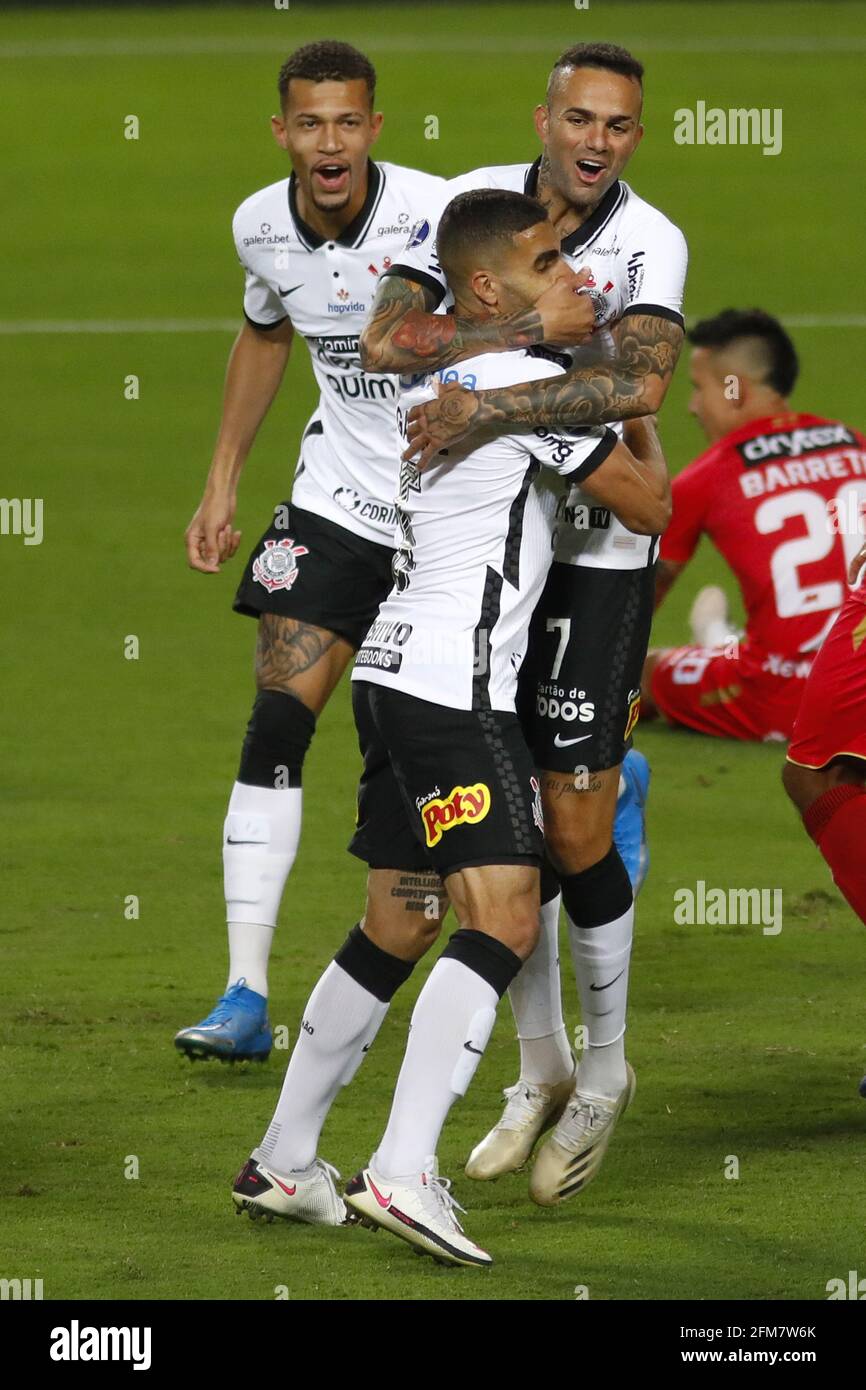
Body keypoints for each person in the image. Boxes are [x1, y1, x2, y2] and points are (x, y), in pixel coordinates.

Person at [231, 188, 670, 1265]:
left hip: (387, 671)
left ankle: (286, 1158)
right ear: (488, 285)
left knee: (398, 917)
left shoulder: (453, 366)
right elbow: (650, 503)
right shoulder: (519, 377)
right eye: (546, 258)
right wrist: (595, 399)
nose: (575, 271)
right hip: (451, 686)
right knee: (508, 913)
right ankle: (403, 1167)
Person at [358, 41, 686, 1201]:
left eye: (620, 126)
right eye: (581, 118)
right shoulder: (474, 206)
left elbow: (637, 388)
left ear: (634, 137)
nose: (598, 141)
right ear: (542, 117)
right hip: (505, 546)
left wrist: (485, 408)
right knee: (511, 817)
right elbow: (382, 339)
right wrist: (510, 364)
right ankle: (535, 1066)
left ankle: (601, 1070)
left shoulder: (651, 242)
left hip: (598, 548)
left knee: (575, 821)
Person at [174, 41, 444, 1062]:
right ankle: (245, 994)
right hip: (333, 501)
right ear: (282, 131)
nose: (327, 142)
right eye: (308, 123)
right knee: (277, 717)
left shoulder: (434, 214)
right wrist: (222, 481)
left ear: (374, 128)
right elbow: (266, 333)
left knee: (451, 741)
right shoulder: (257, 225)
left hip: (447, 515)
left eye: (346, 121)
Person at [643, 309, 866, 742]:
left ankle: (718, 644)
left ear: (734, 390)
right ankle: (723, 642)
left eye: (698, 388)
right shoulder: (857, 444)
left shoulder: (705, 477)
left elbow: (636, 607)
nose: (692, 406)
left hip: (788, 695)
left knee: (642, 672)